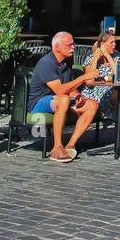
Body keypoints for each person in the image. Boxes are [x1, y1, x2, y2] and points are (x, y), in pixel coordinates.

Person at [27, 31, 100, 163]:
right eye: (69, 45)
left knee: (92, 105)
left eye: (73, 44)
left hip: (57, 101)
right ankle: (57, 147)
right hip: (38, 103)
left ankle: (70, 145)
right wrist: (83, 77)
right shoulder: (47, 63)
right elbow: (60, 90)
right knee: (63, 99)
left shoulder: (65, 64)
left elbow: (70, 89)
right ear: (57, 48)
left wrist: (78, 96)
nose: (73, 47)